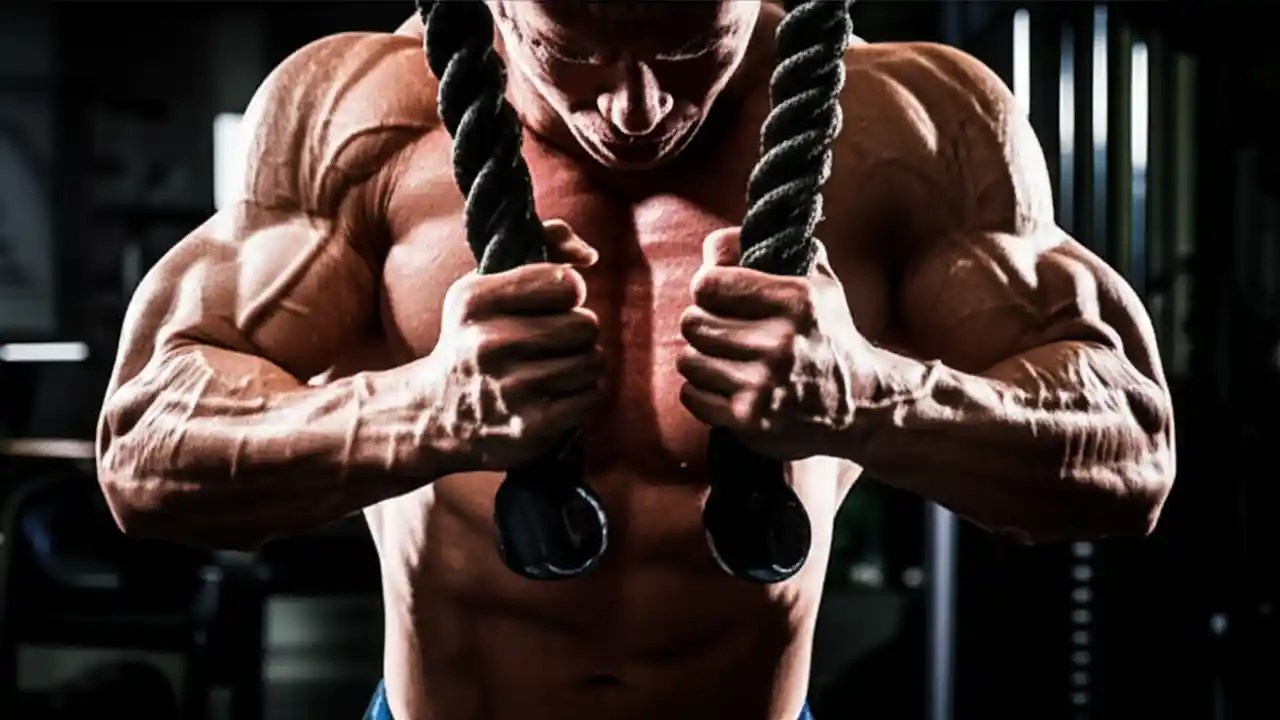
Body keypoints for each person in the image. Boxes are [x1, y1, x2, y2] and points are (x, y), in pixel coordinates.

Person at [94, 1, 1176, 718]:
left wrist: (875, 399)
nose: (635, 106)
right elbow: (146, 454)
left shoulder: (909, 126)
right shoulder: (361, 119)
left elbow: (1130, 453)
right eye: (572, 53)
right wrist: (422, 411)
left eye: (686, 51)